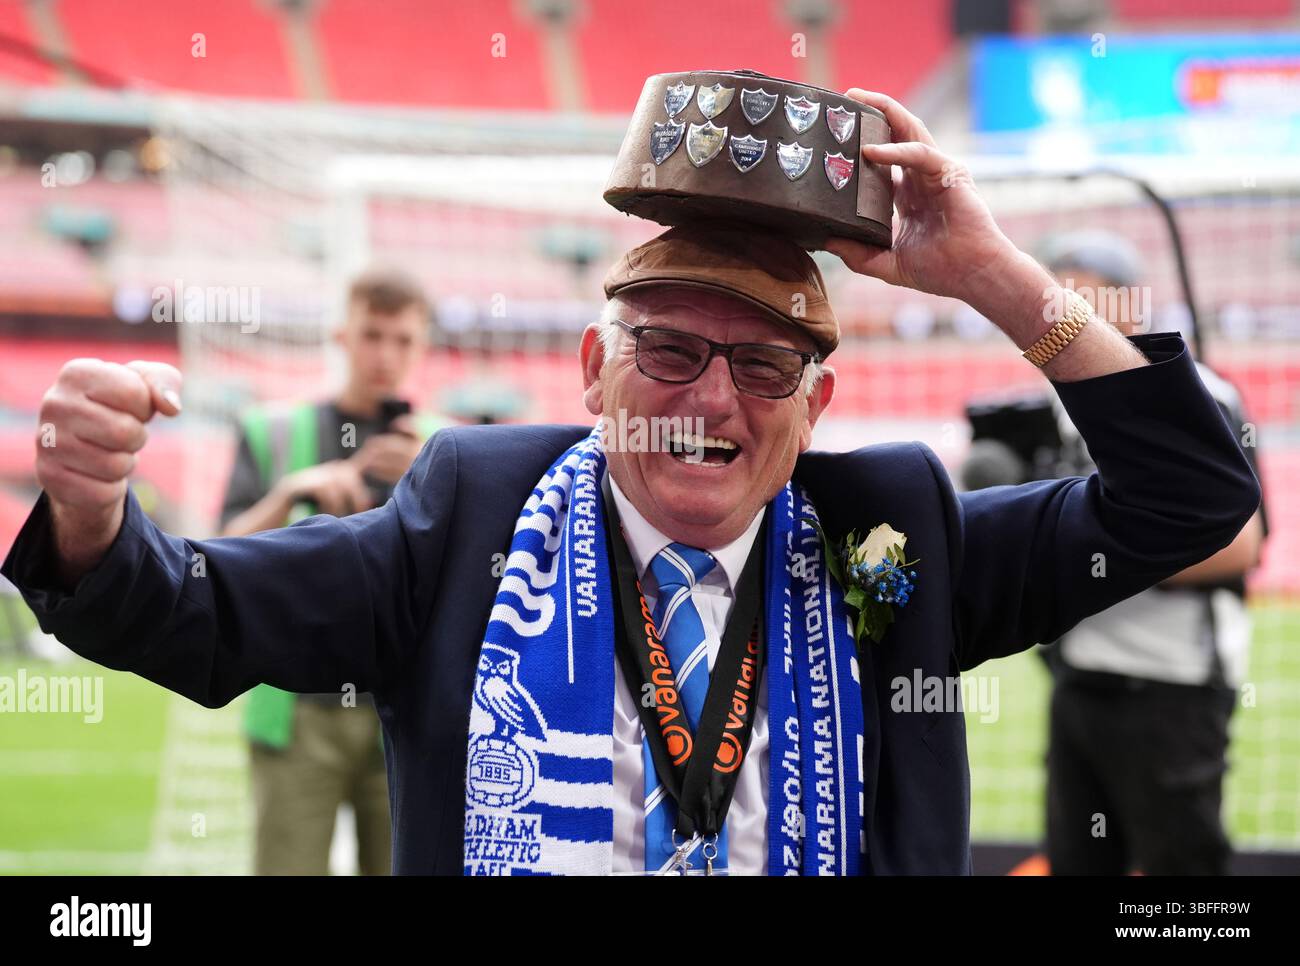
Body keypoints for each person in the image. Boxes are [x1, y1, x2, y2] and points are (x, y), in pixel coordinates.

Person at [2, 91, 1261, 875]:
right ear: (597, 368)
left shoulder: (891, 534)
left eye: (764, 367)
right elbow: (191, 609)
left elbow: (1190, 497)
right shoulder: (465, 519)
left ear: (817, 406)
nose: (709, 401)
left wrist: (989, 275)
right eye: (667, 351)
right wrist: (91, 506)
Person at [1027, 233, 1267, 875]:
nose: (1065, 312)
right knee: (1078, 859)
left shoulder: (1198, 396)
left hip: (1170, 683)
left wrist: (1094, 548)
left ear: (1132, 303)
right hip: (1080, 679)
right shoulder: (1059, 401)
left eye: (1083, 295)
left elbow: (1240, 547)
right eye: (1055, 296)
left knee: (1181, 886)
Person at [219, 269, 444, 875]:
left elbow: (469, 578)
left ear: (422, 345)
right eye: (372, 335)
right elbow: (213, 561)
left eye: (403, 340)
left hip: (403, 711)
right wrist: (294, 491)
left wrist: (422, 489)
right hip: (295, 709)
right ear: (341, 336)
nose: (386, 355)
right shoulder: (275, 431)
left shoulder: (445, 448)